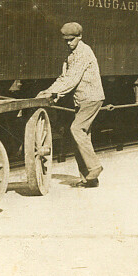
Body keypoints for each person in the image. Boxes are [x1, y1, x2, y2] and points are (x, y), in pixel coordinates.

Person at [38, 22, 105, 188]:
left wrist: (54, 93)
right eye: (65, 40)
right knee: (80, 137)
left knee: (76, 129)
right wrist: (48, 91)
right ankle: (89, 179)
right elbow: (63, 77)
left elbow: (71, 79)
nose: (68, 43)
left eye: (71, 39)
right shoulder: (71, 54)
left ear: (80, 37)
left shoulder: (83, 52)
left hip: (91, 98)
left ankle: (94, 167)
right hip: (81, 99)